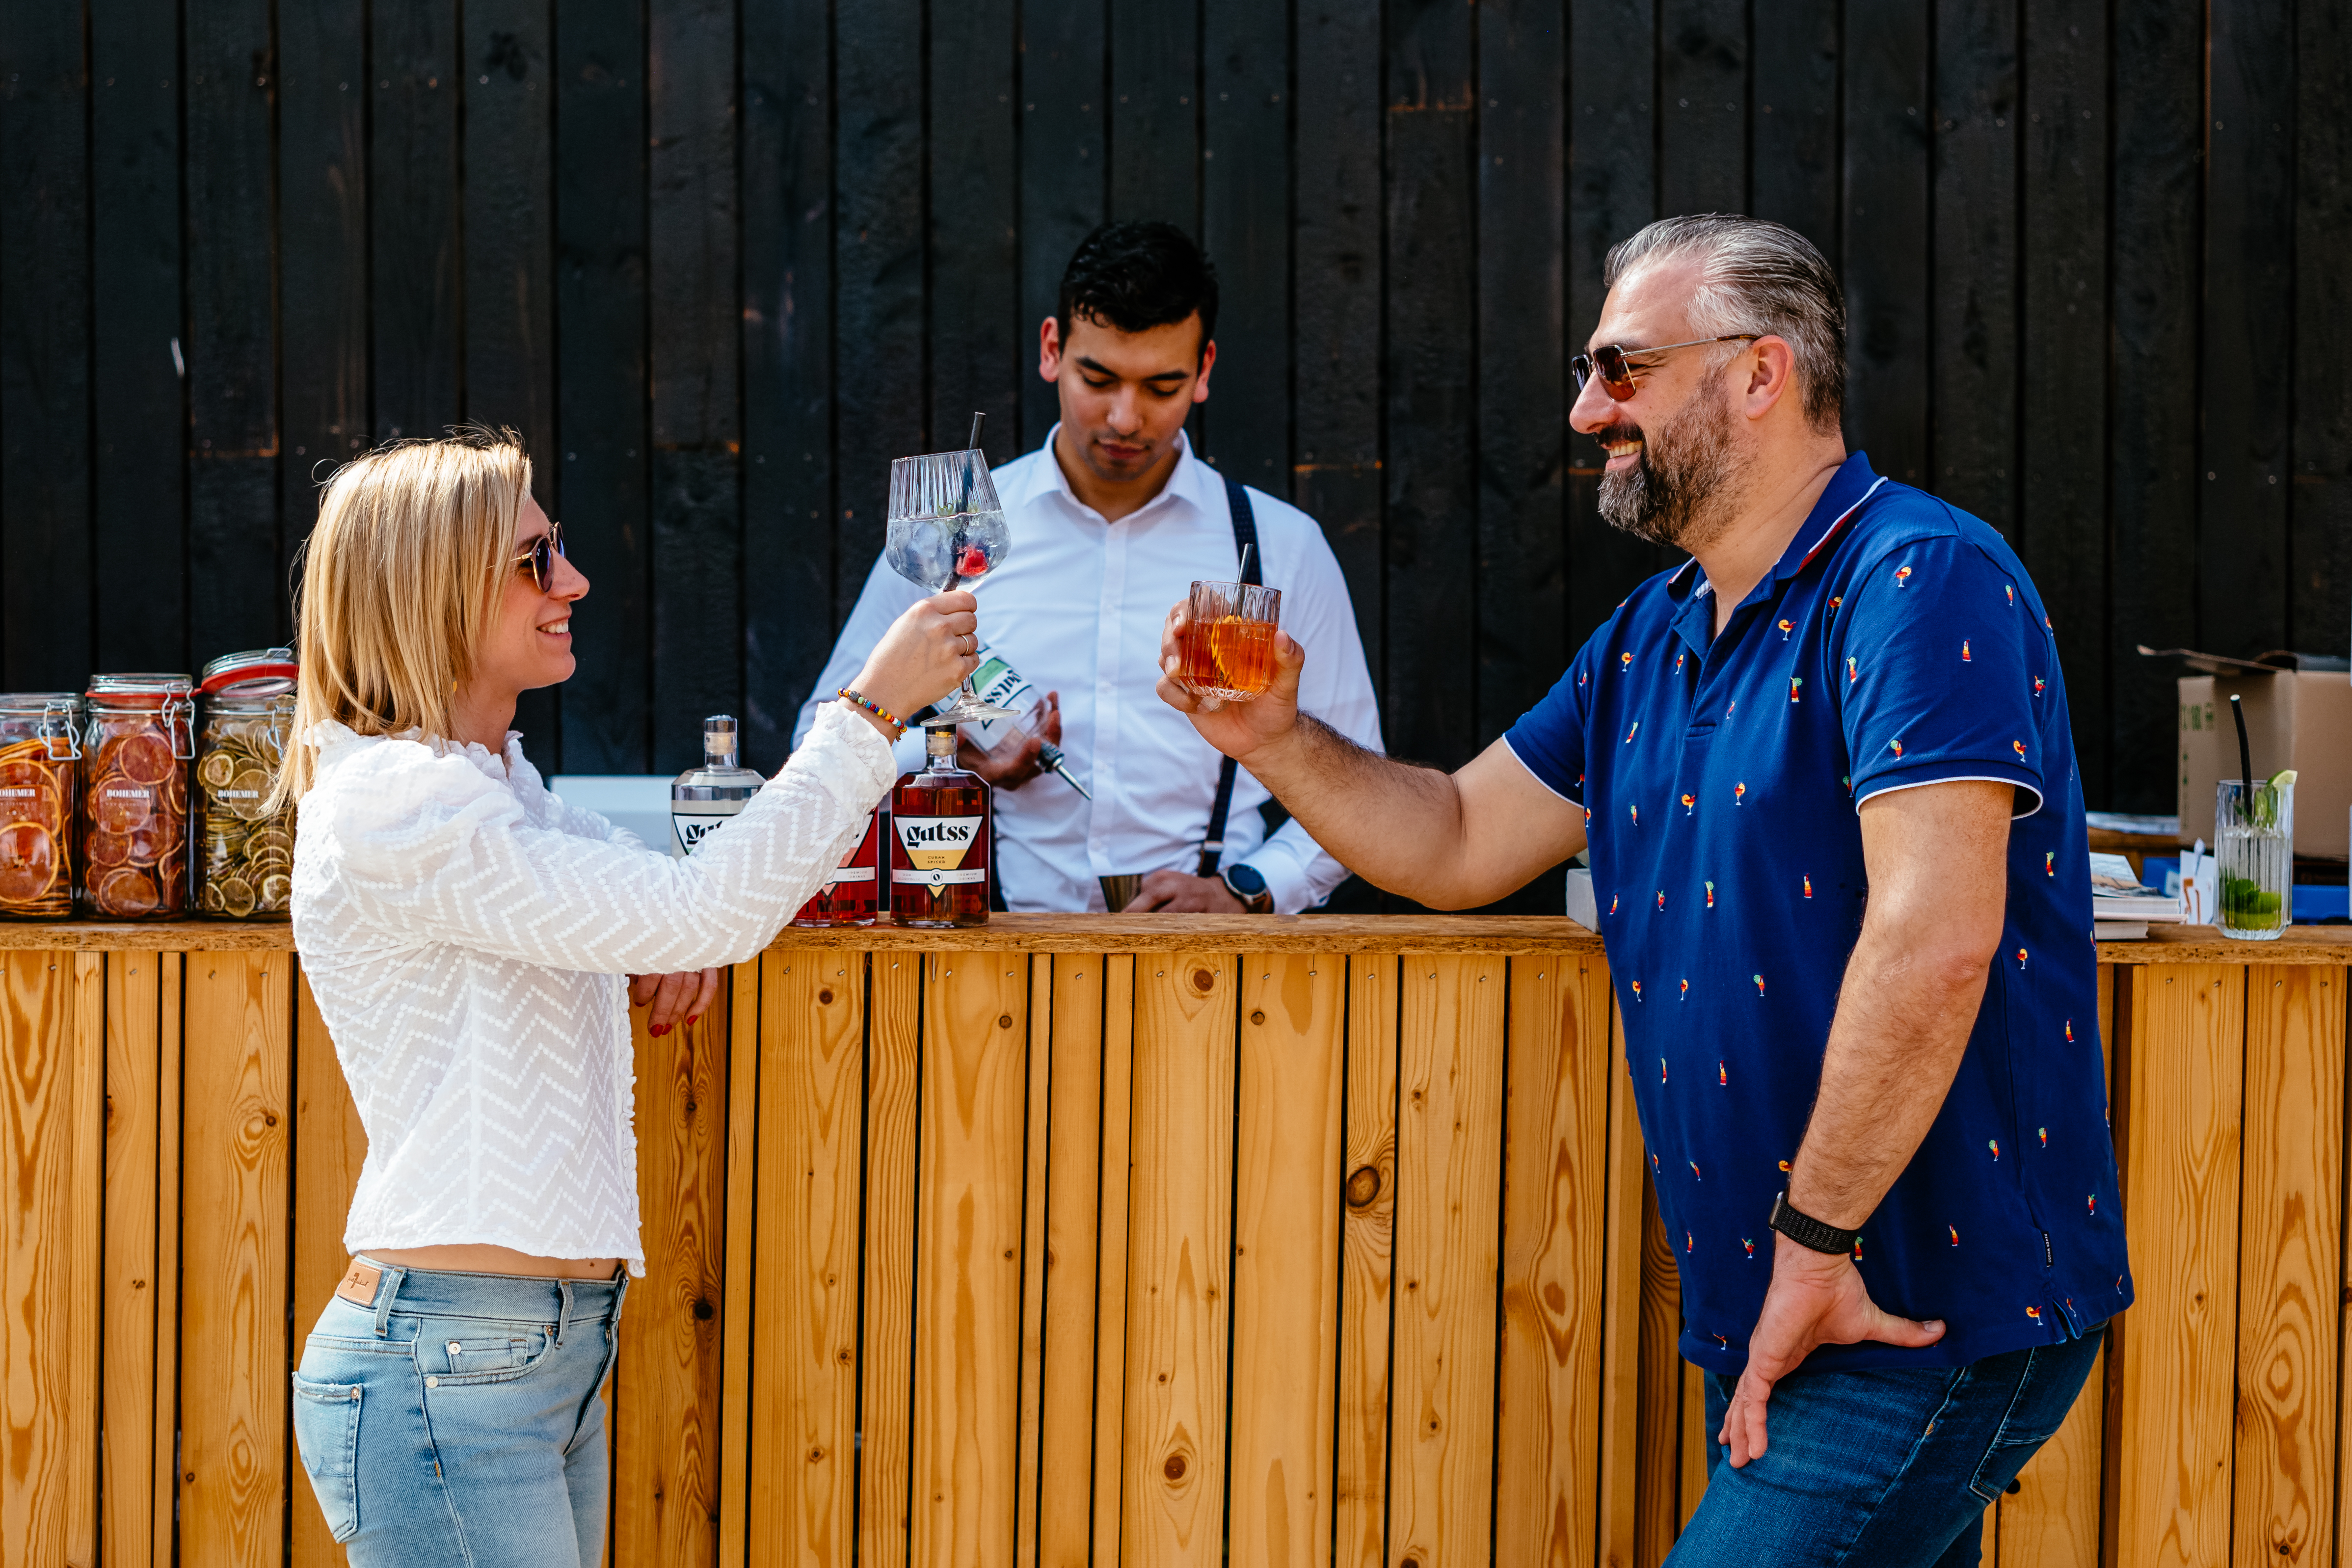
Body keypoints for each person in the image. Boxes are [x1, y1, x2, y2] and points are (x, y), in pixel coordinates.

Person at [1155, 215, 2129, 1564]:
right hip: (1796, 1300)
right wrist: (1274, 737)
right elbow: (1450, 838)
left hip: (1914, 1307)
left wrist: (1812, 1245)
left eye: (1621, 369)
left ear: (1758, 374)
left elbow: (1935, 940)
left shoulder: (1921, 578)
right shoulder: (1652, 635)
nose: (1585, 409)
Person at [280, 428, 974, 1568]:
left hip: (514, 1354)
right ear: (431, 588)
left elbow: (673, 904)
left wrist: (654, 928)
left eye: (557, 549)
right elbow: (702, 909)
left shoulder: (502, 791)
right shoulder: (399, 804)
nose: (573, 581)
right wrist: (871, 711)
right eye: (532, 560)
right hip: (450, 1359)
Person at [795, 220, 1382, 913]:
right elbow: (824, 739)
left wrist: (1247, 889)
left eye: (1162, 386)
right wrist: (945, 762)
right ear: (1052, 351)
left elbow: (1360, 786)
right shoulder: (953, 533)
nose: (1126, 418)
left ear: (1205, 372)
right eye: (1098, 379)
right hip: (988, 964)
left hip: (1213, 975)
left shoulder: (1283, 547)